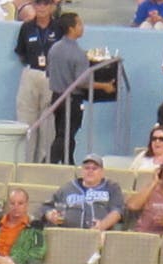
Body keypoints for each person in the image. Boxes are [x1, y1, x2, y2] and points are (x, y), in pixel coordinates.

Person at [47, 12, 116, 165]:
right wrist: (104, 86)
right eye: (79, 24)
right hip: (72, 100)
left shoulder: (54, 49)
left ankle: (68, 163)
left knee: (64, 133)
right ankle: (48, 162)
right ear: (71, 28)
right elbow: (81, 82)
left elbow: (49, 72)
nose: (82, 27)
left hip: (56, 97)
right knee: (65, 135)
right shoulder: (78, 54)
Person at [14, 0, 63, 162]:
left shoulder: (59, 28)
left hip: (51, 75)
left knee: (48, 124)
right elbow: (21, 52)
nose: (42, 7)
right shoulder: (27, 27)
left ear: (52, 6)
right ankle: (25, 163)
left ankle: (44, 164)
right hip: (31, 73)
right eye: (38, 3)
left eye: (46, 3)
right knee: (26, 122)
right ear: (33, 5)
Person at [40, 154, 124, 231]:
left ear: (102, 172)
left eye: (94, 168)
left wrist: (102, 226)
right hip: (69, 235)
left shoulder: (111, 187)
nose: (90, 171)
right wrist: (51, 215)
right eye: (87, 168)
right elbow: (46, 207)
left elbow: (117, 211)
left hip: (100, 236)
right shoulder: (67, 188)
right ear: (82, 171)